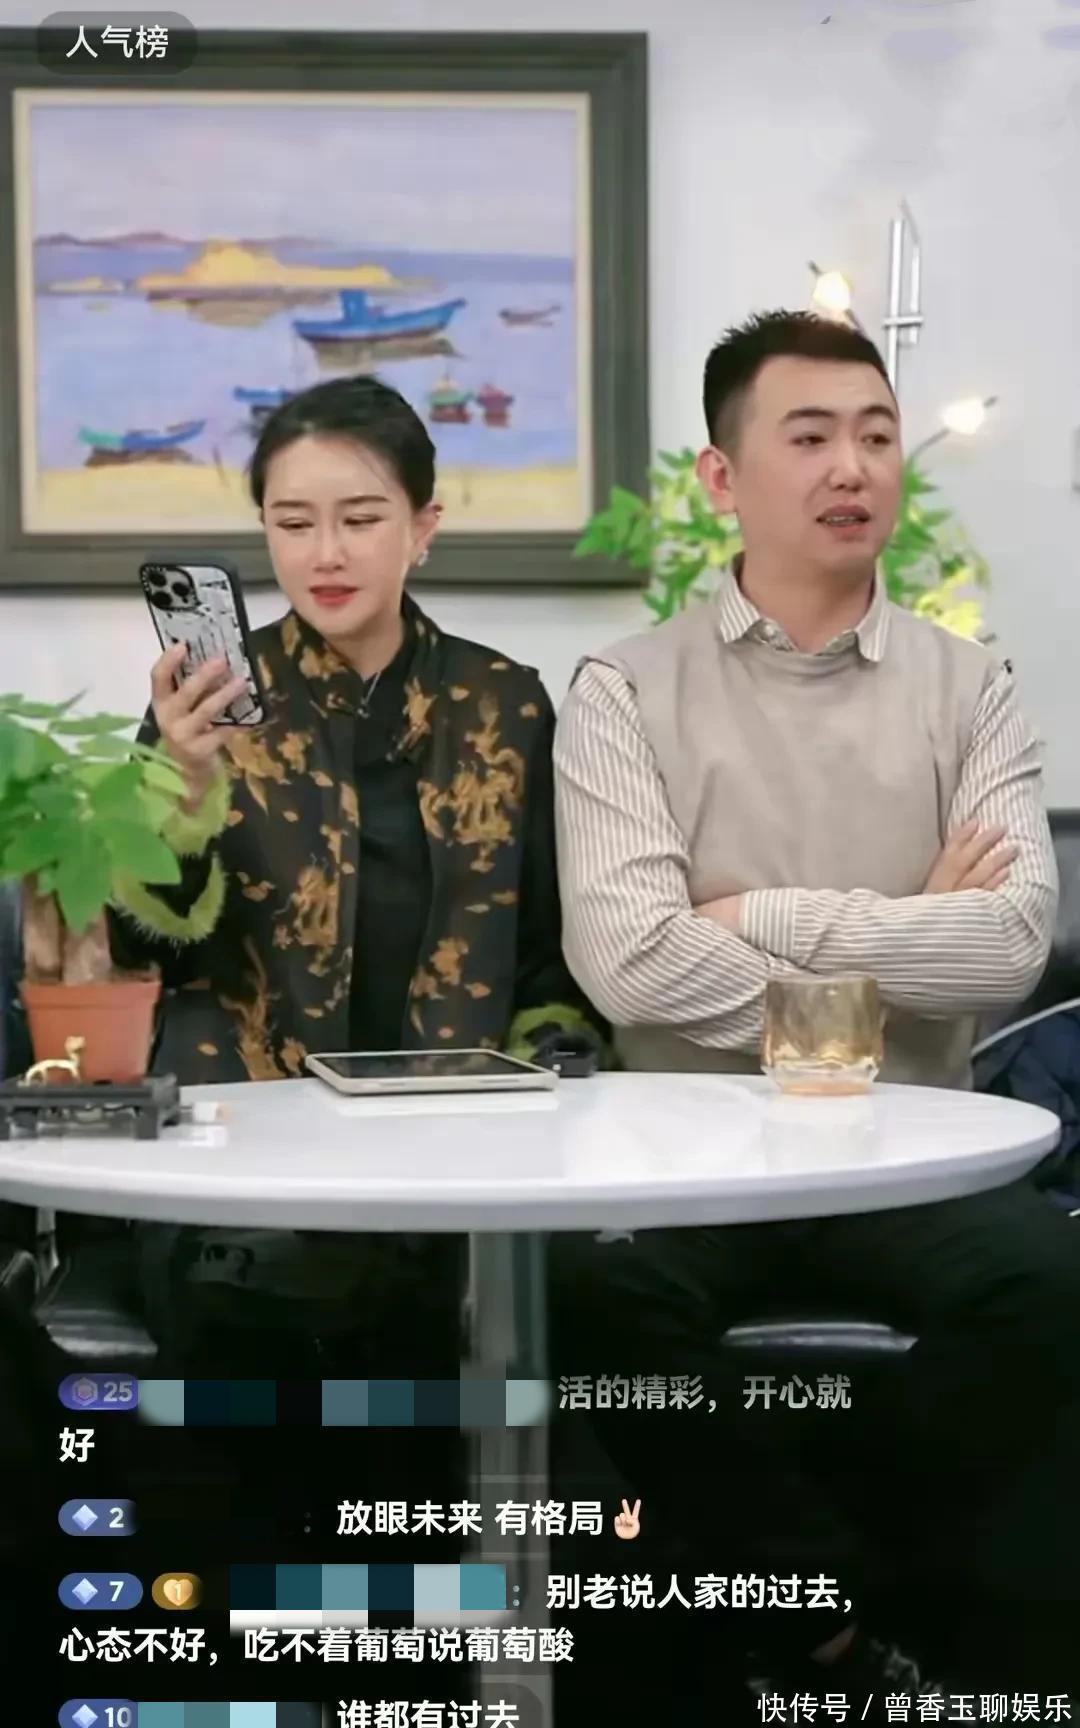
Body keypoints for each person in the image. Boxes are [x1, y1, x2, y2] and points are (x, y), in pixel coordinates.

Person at [549, 311, 1080, 1698]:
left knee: (1053, 1286)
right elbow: (632, 966)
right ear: (723, 477)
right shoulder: (623, 690)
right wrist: (906, 920)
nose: (853, 467)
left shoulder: (971, 686)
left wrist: (761, 918)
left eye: (877, 435)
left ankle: (849, 1604)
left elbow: (1009, 947)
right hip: (688, 1158)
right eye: (811, 436)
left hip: (914, 1148)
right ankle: (834, 1635)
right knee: (584, 1301)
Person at [110, 373, 602, 1370]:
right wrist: (179, 789)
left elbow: (552, 959)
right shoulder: (206, 708)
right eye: (293, 523)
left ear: (423, 528)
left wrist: (552, 1099)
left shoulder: (504, 705)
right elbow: (139, 950)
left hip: (457, 1151)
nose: (325, 553)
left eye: (361, 518)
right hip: (245, 1148)